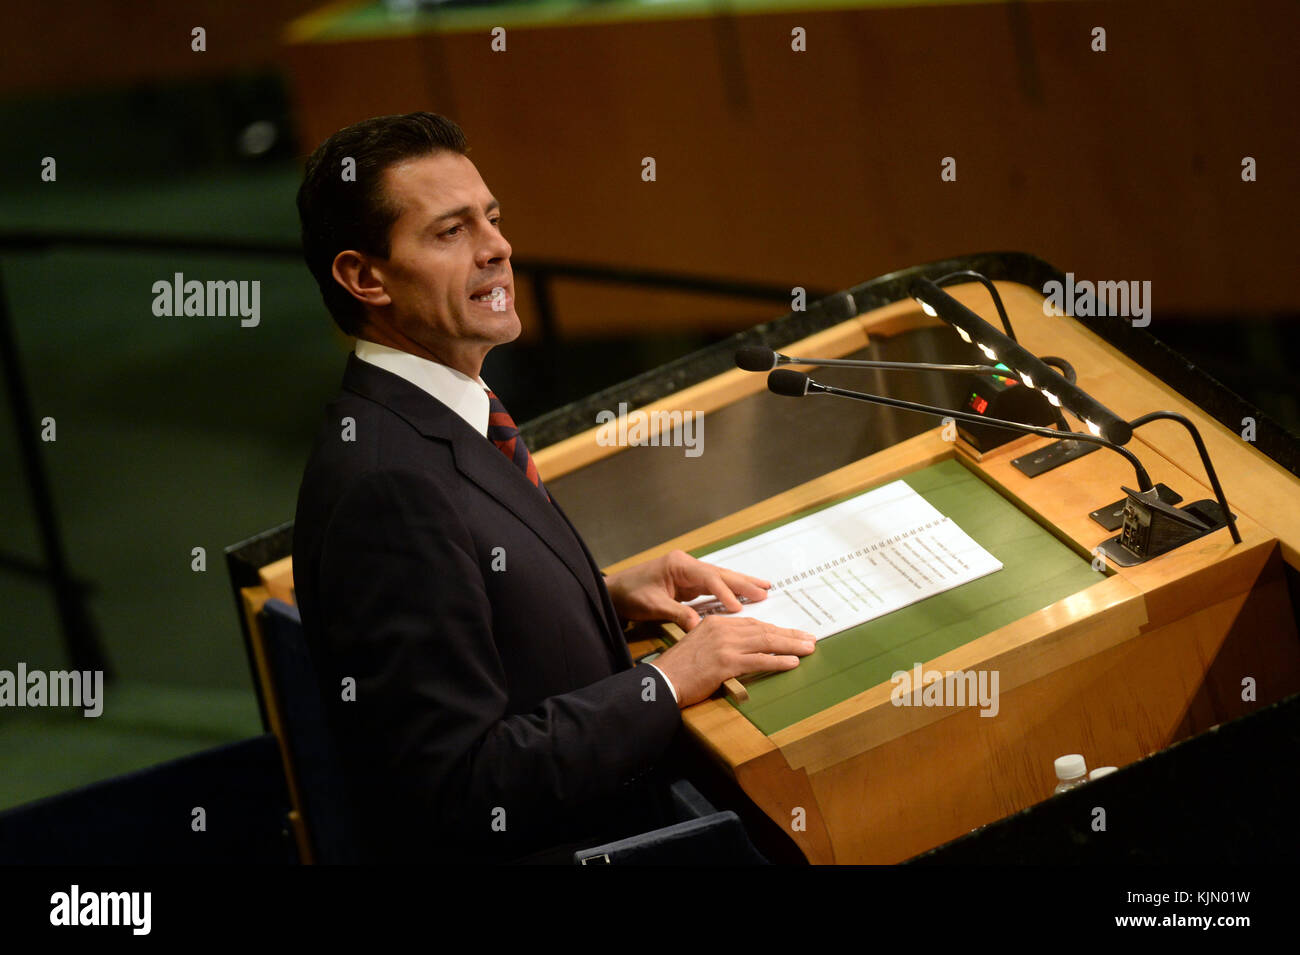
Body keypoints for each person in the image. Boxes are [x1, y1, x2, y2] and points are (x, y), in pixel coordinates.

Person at [292, 112, 815, 862]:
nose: (498, 248)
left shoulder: (441, 411)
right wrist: (667, 681)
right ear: (364, 277)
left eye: (493, 218)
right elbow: (462, 787)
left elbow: (470, 616)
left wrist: (598, 593)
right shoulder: (384, 484)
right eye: (451, 232)